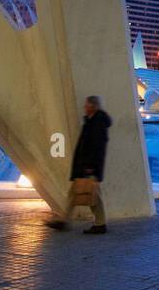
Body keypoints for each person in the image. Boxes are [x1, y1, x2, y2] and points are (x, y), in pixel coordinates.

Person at [46, 95, 111, 235]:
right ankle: (65, 220)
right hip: (86, 165)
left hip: (89, 166)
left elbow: (96, 147)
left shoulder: (97, 123)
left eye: (86, 105)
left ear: (92, 106)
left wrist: (90, 167)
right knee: (76, 193)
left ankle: (99, 224)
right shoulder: (92, 121)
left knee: (93, 195)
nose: (84, 107)